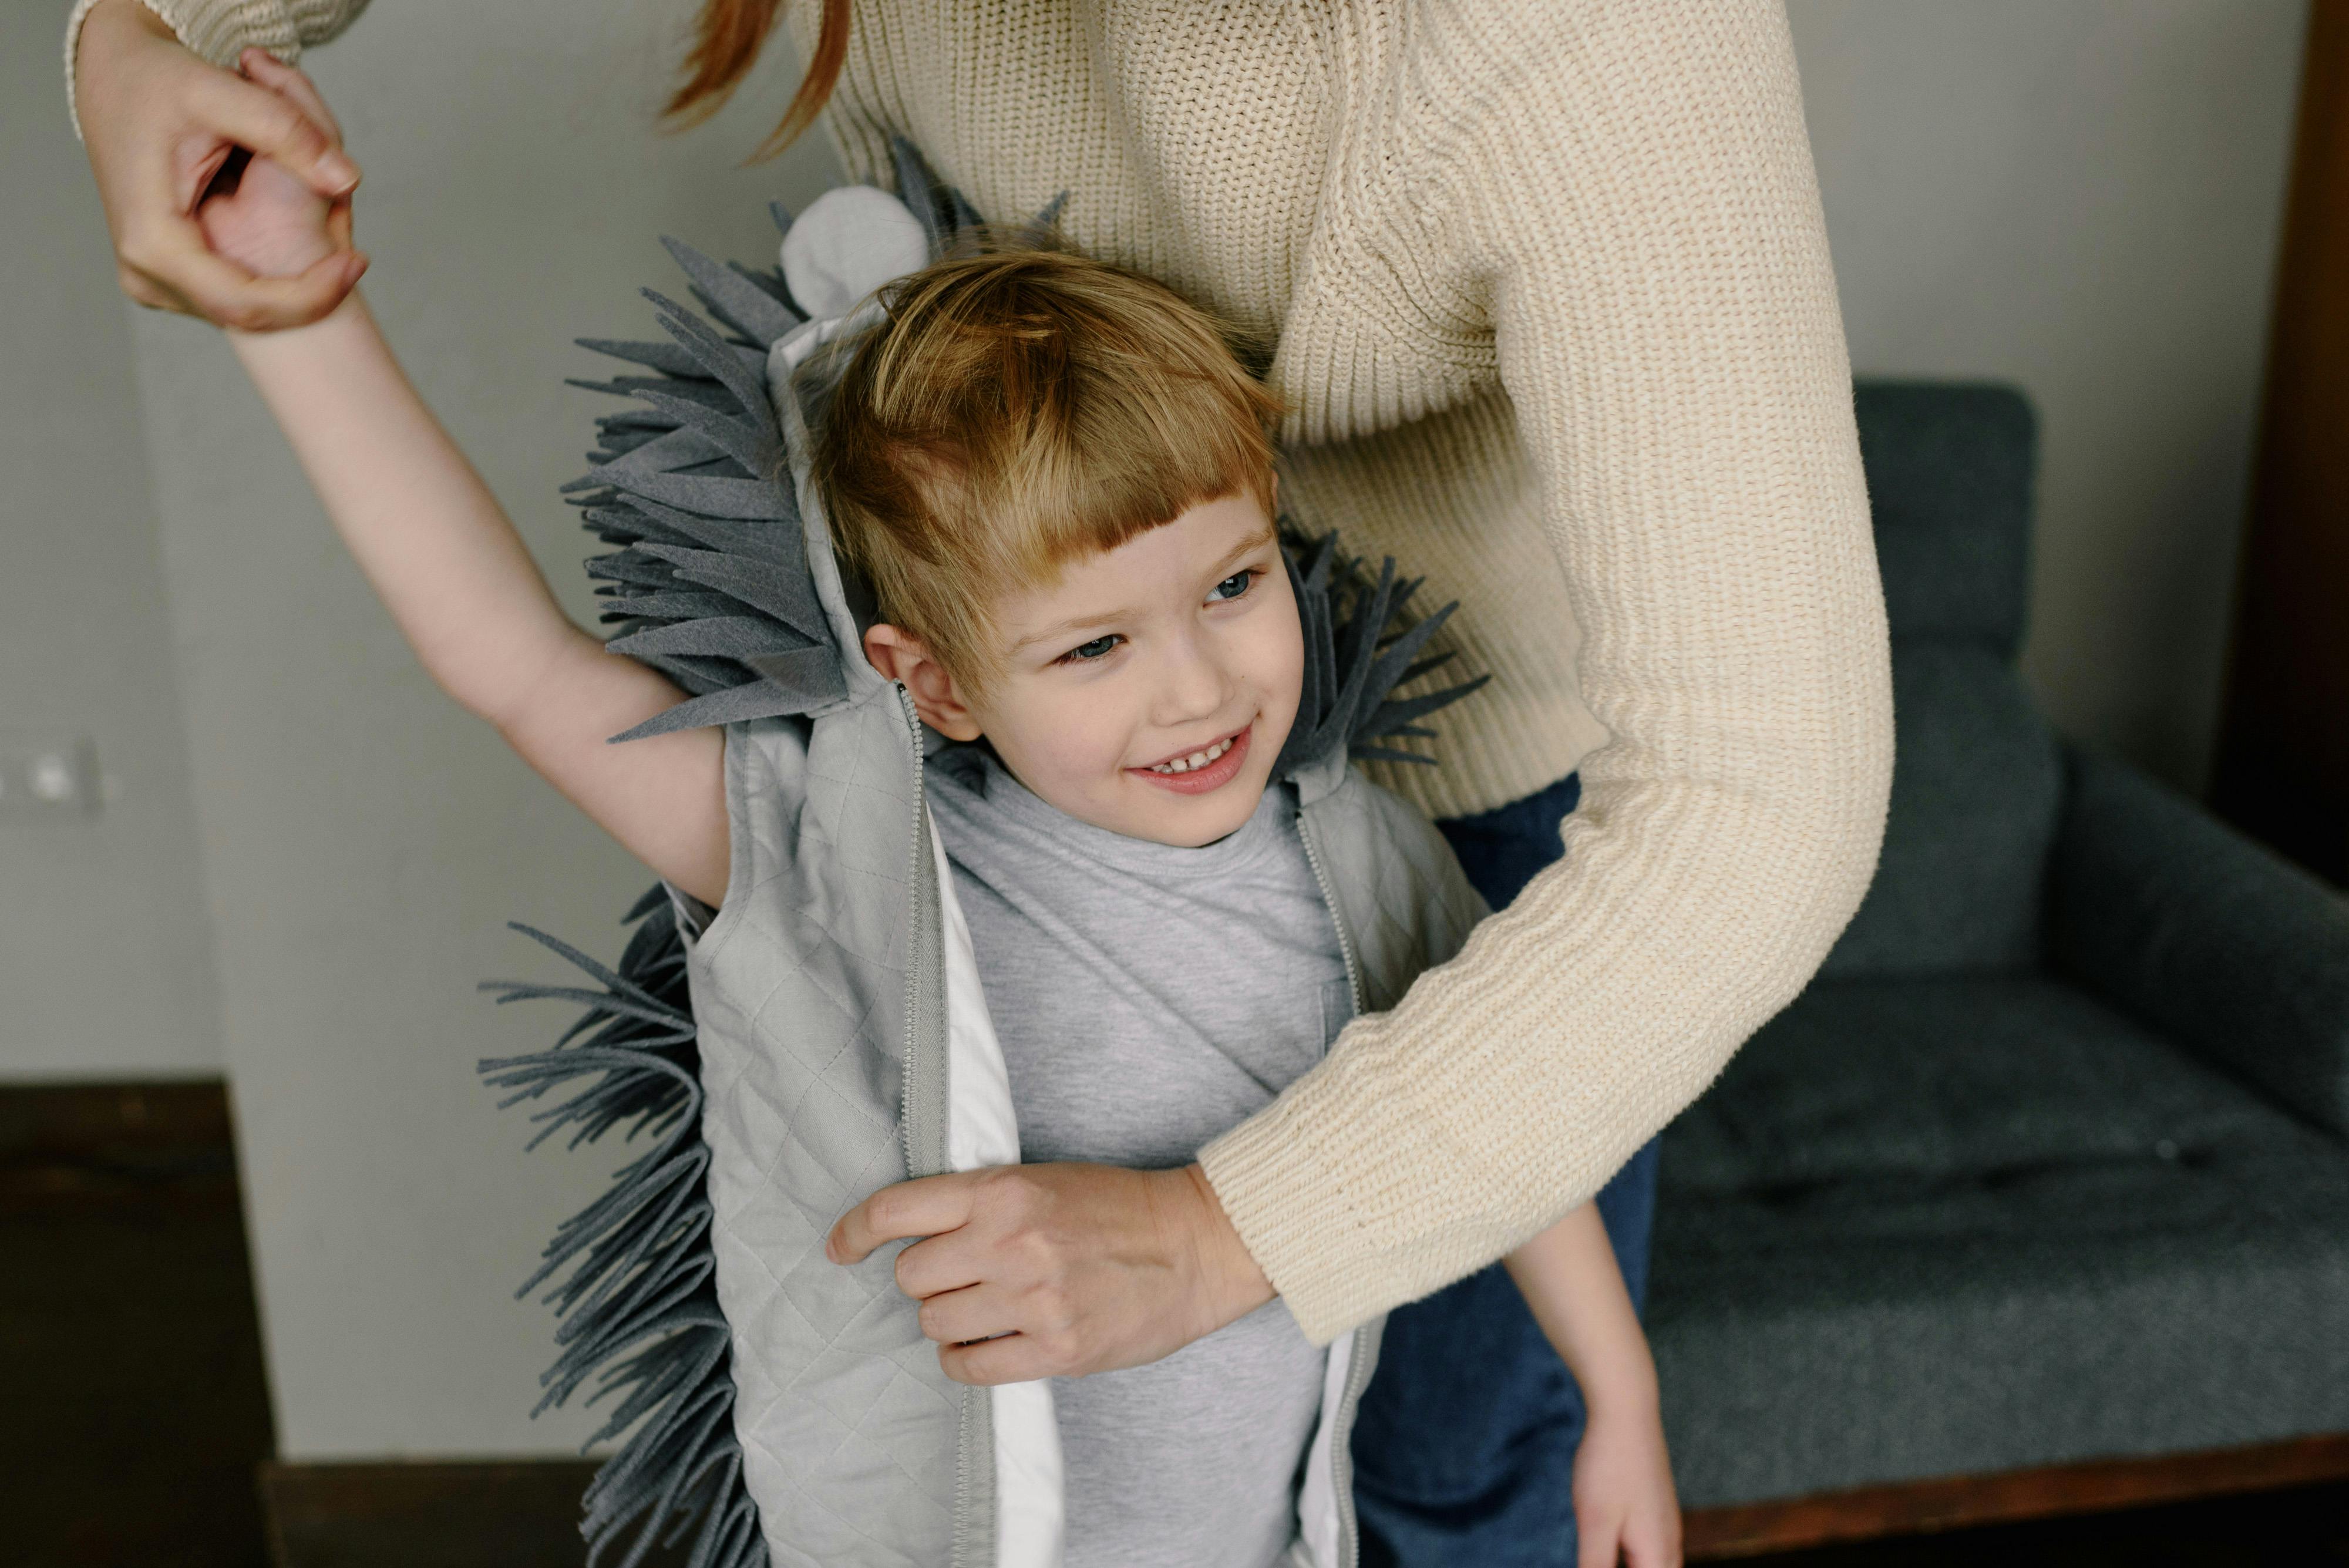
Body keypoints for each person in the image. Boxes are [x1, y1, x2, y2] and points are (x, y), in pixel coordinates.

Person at [68, 3, 1894, 1560]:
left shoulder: (1356, 837)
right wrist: (269, 278)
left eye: (1238, 590)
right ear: (921, 679)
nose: (1197, 689)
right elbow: (516, 665)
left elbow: (1543, 1129)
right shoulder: (840, 855)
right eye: (1097, 648)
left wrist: (1619, 1392)